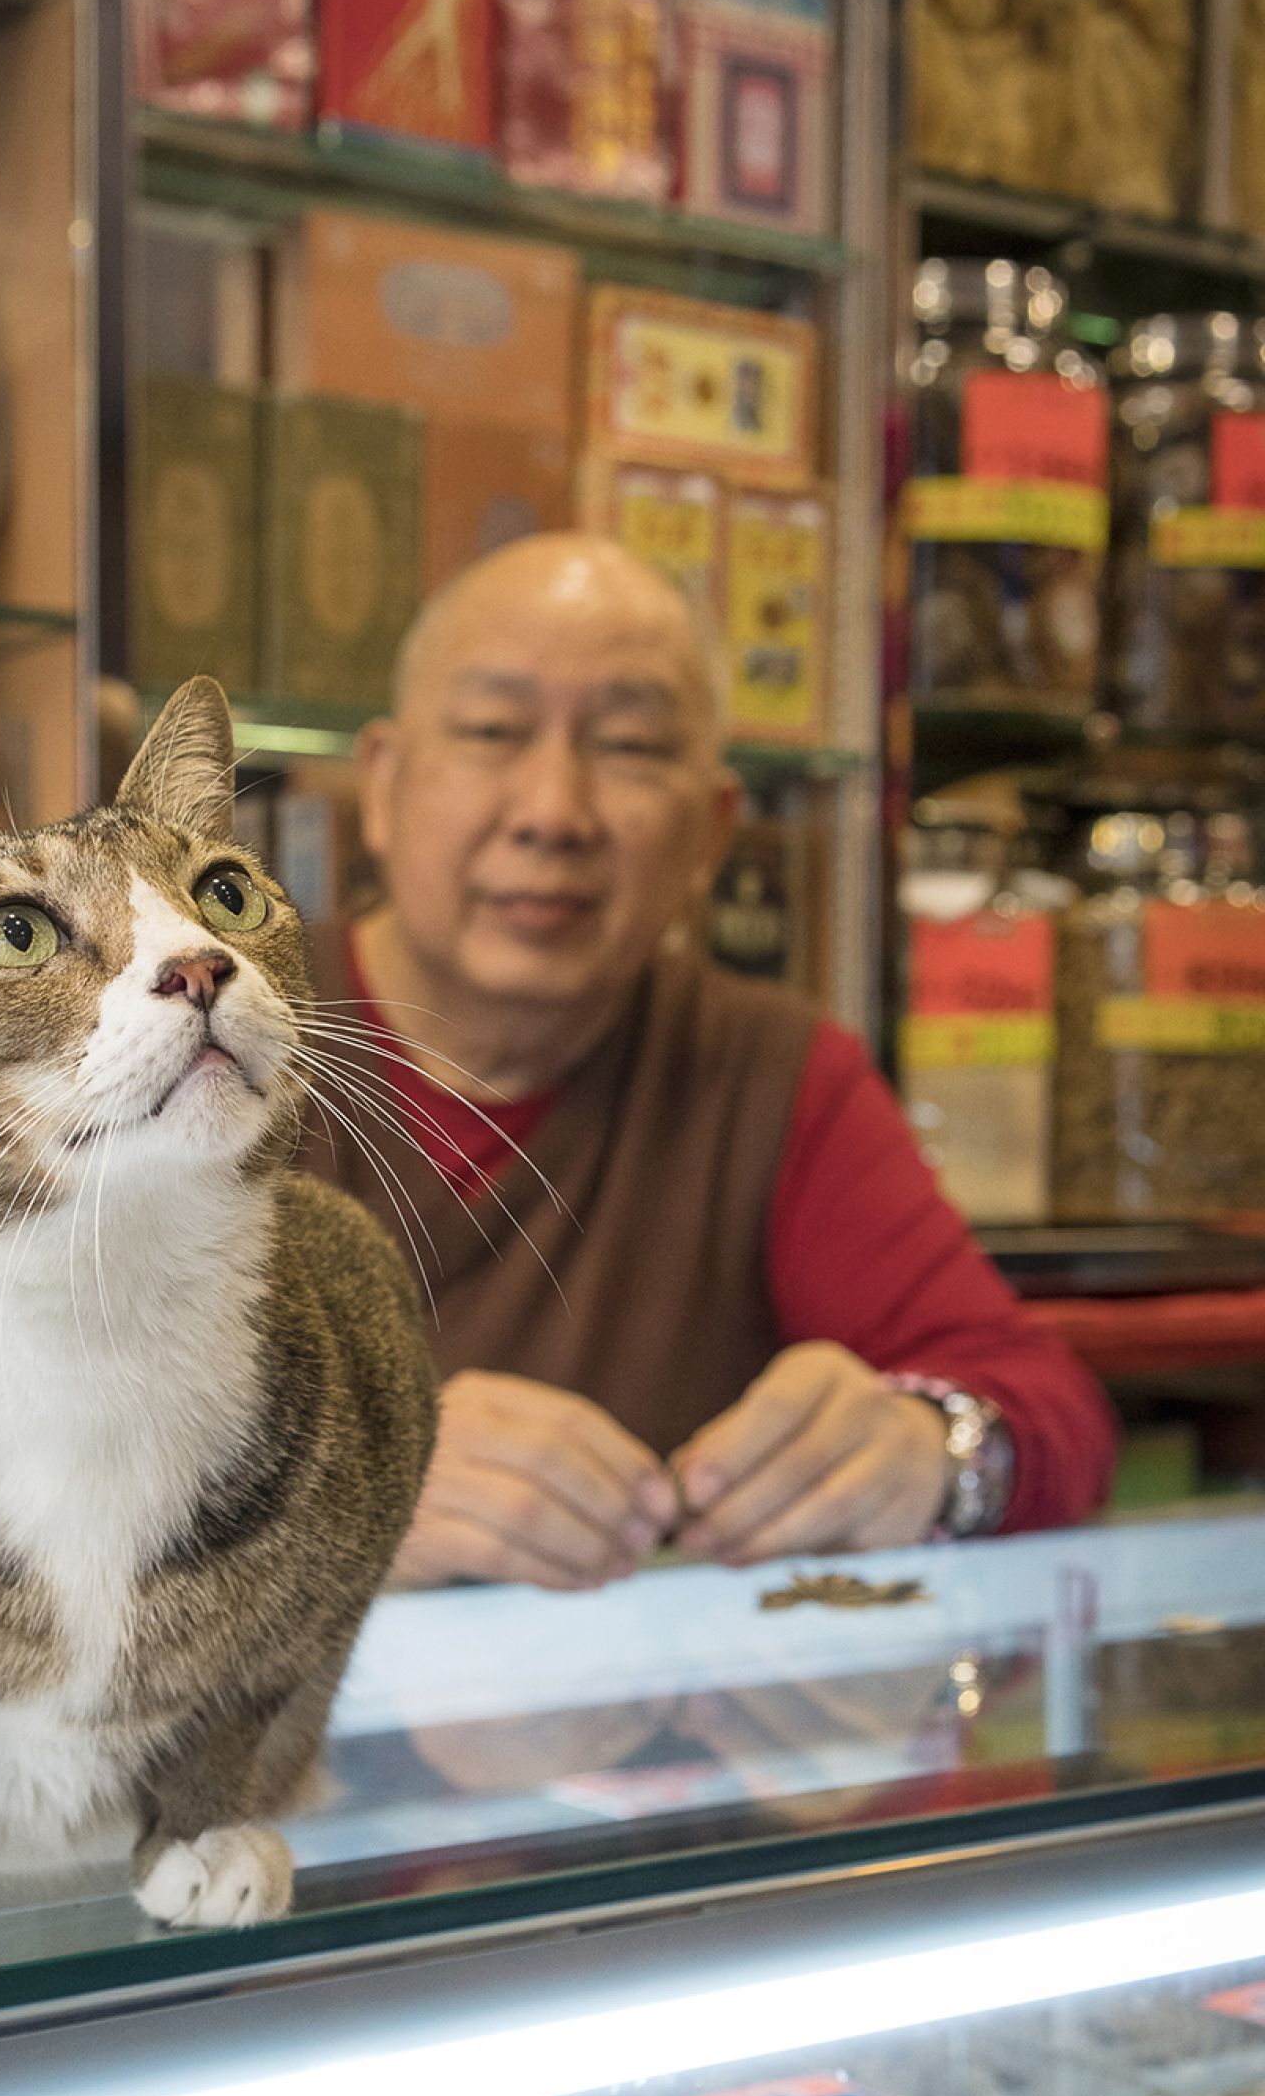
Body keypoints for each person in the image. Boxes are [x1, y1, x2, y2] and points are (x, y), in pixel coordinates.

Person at [298, 533, 1116, 1592]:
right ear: (385, 785)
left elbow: (1047, 1408)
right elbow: (15, 1460)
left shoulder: (768, 1075)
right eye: (492, 731)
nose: (552, 812)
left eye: (630, 747)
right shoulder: (199, 1028)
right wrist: (341, 1497)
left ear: (710, 833)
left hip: (643, 1740)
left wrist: (929, 1451)